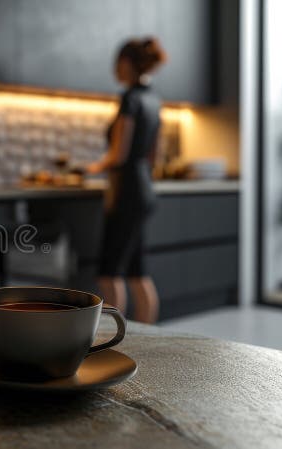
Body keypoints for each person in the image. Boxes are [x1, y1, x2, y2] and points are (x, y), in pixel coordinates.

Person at [86, 37, 167, 323]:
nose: (115, 69)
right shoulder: (155, 100)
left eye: (117, 62)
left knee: (109, 273)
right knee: (137, 272)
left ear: (125, 63)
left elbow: (118, 155)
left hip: (126, 192)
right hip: (145, 190)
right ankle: (147, 339)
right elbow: (154, 156)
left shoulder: (130, 99)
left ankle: (112, 342)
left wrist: (90, 168)